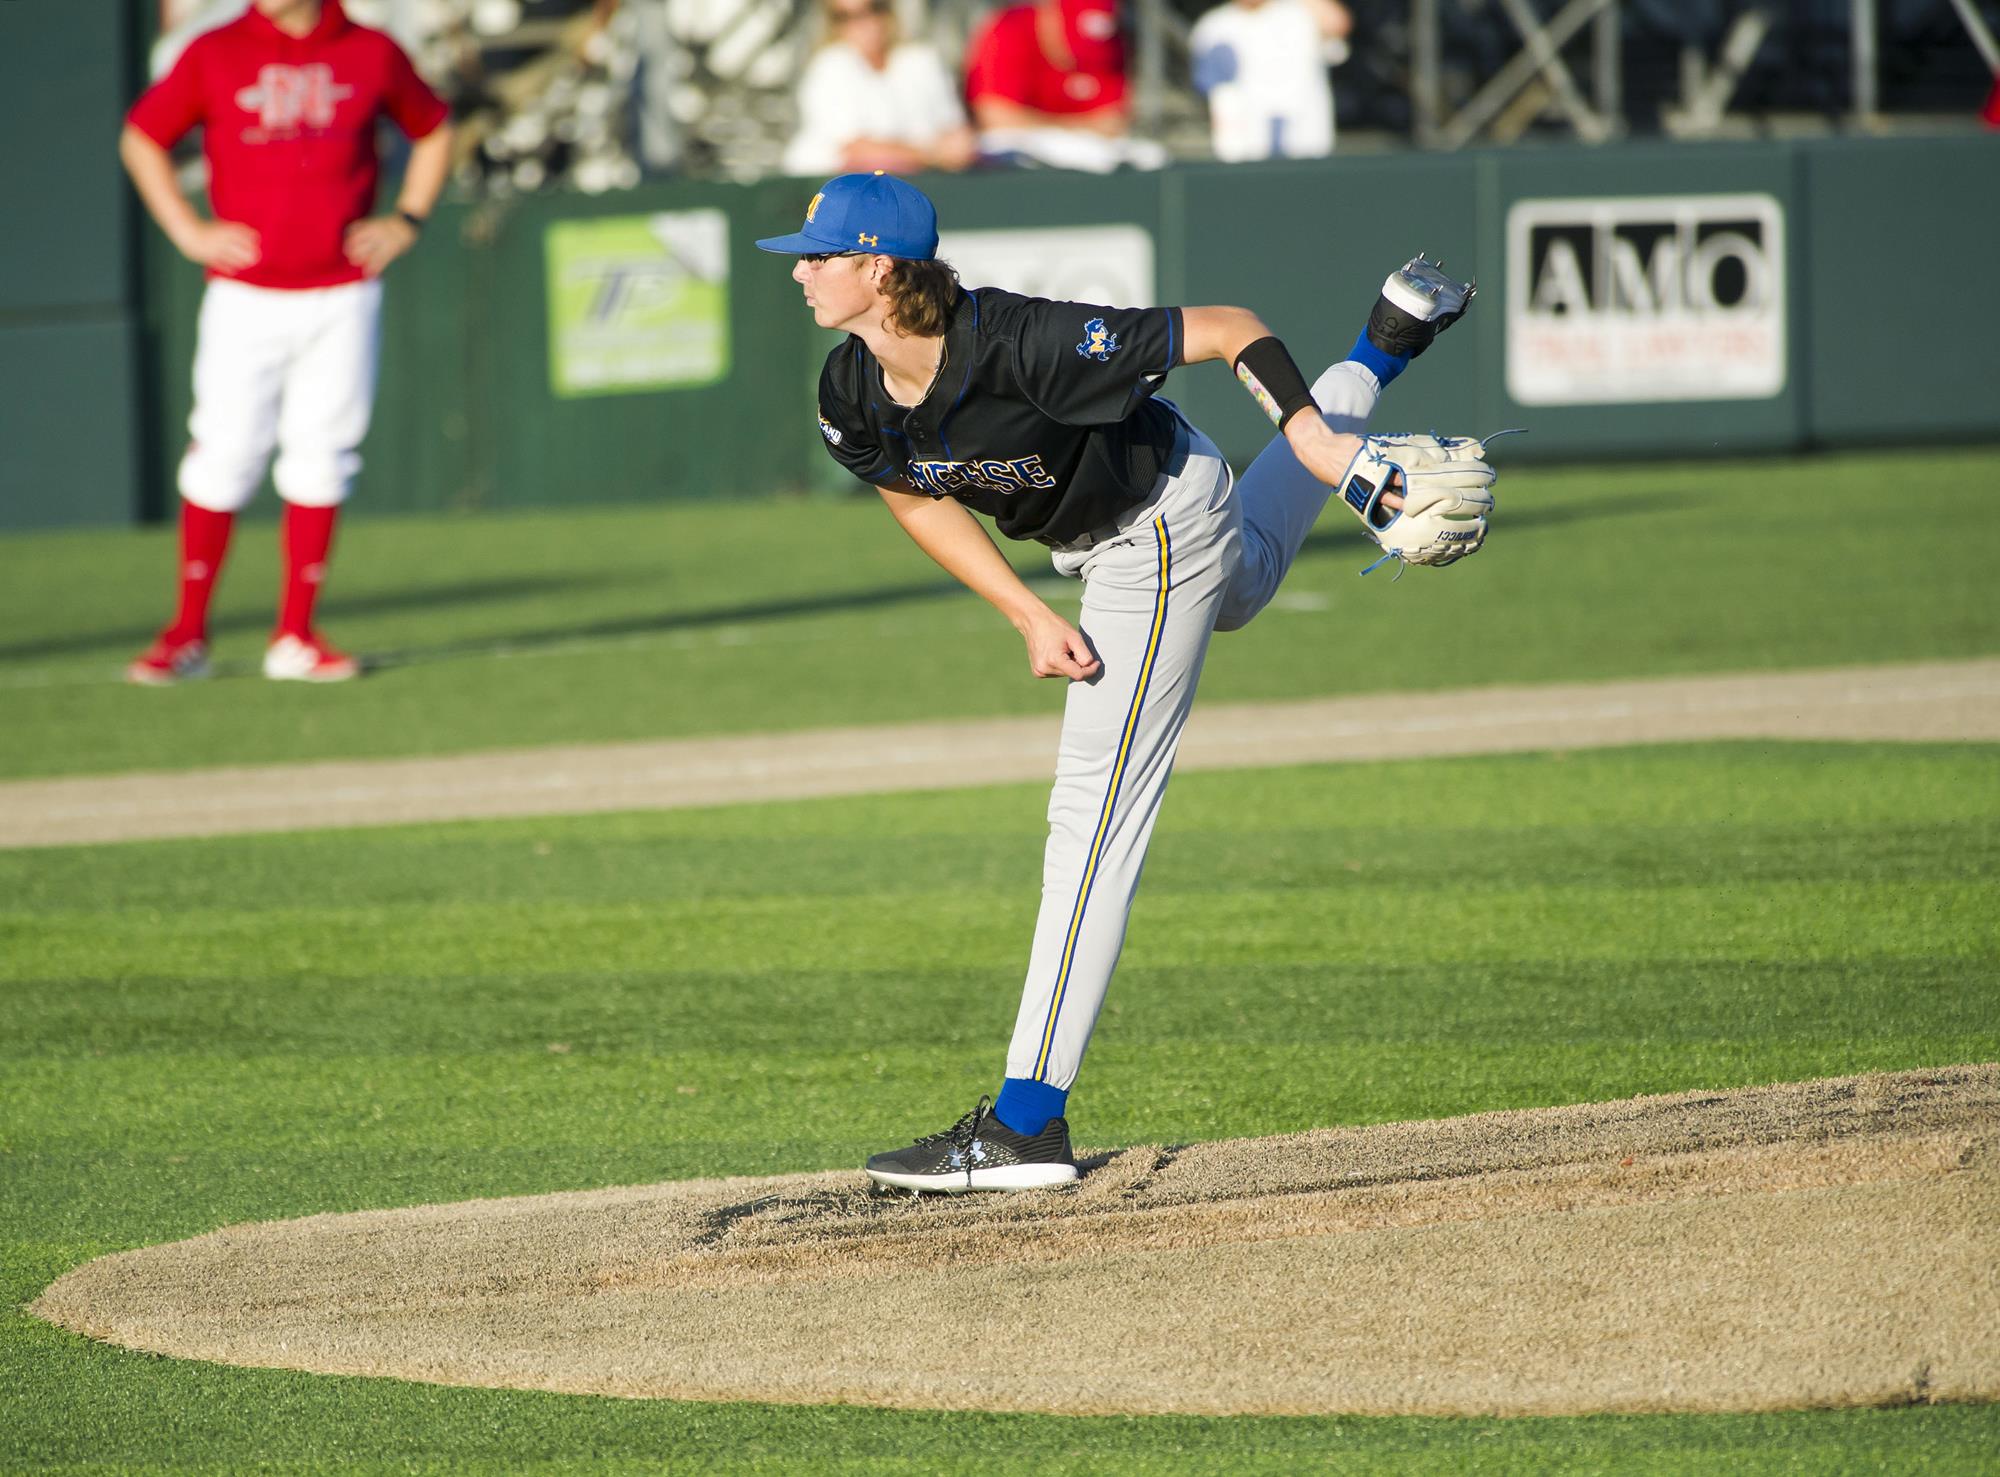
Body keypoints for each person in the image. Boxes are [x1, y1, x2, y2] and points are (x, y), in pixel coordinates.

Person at [756, 173, 1488, 1192]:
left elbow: (1229, 327)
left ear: (878, 268)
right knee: (1252, 577)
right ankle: (1378, 350)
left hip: (1153, 531)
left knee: (1091, 816)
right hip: (1118, 537)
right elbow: (910, 497)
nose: (798, 271)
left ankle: (1024, 1124)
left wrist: (1317, 440)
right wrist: (1022, 610)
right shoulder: (849, 386)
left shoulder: (1019, 341)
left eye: (818, 255)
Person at [122, 0, 454, 684]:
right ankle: (186, 634)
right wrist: (188, 230)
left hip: (342, 291)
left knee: (323, 453)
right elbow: (142, 135)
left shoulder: (370, 51)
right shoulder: (215, 51)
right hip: (246, 294)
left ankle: (296, 635)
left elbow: (434, 127)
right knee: (223, 451)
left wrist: (408, 219)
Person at [782, 0, 976, 178]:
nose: (864, 22)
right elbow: (858, 154)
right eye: (845, 16)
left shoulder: (922, 60)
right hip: (837, 195)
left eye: (873, 8)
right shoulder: (830, 66)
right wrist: (933, 154)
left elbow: (958, 138)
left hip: (914, 188)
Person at [963, 0, 1165, 170]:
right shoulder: (1011, 29)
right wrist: (1075, 127)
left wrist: (1053, 126)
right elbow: (996, 118)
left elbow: (1113, 121)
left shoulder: (1108, 47)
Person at [1190, 0, 1351, 161]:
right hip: (1248, 145)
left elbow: (1337, 23)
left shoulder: (1299, 12)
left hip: (1306, 139)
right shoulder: (1214, 25)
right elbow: (1211, 89)